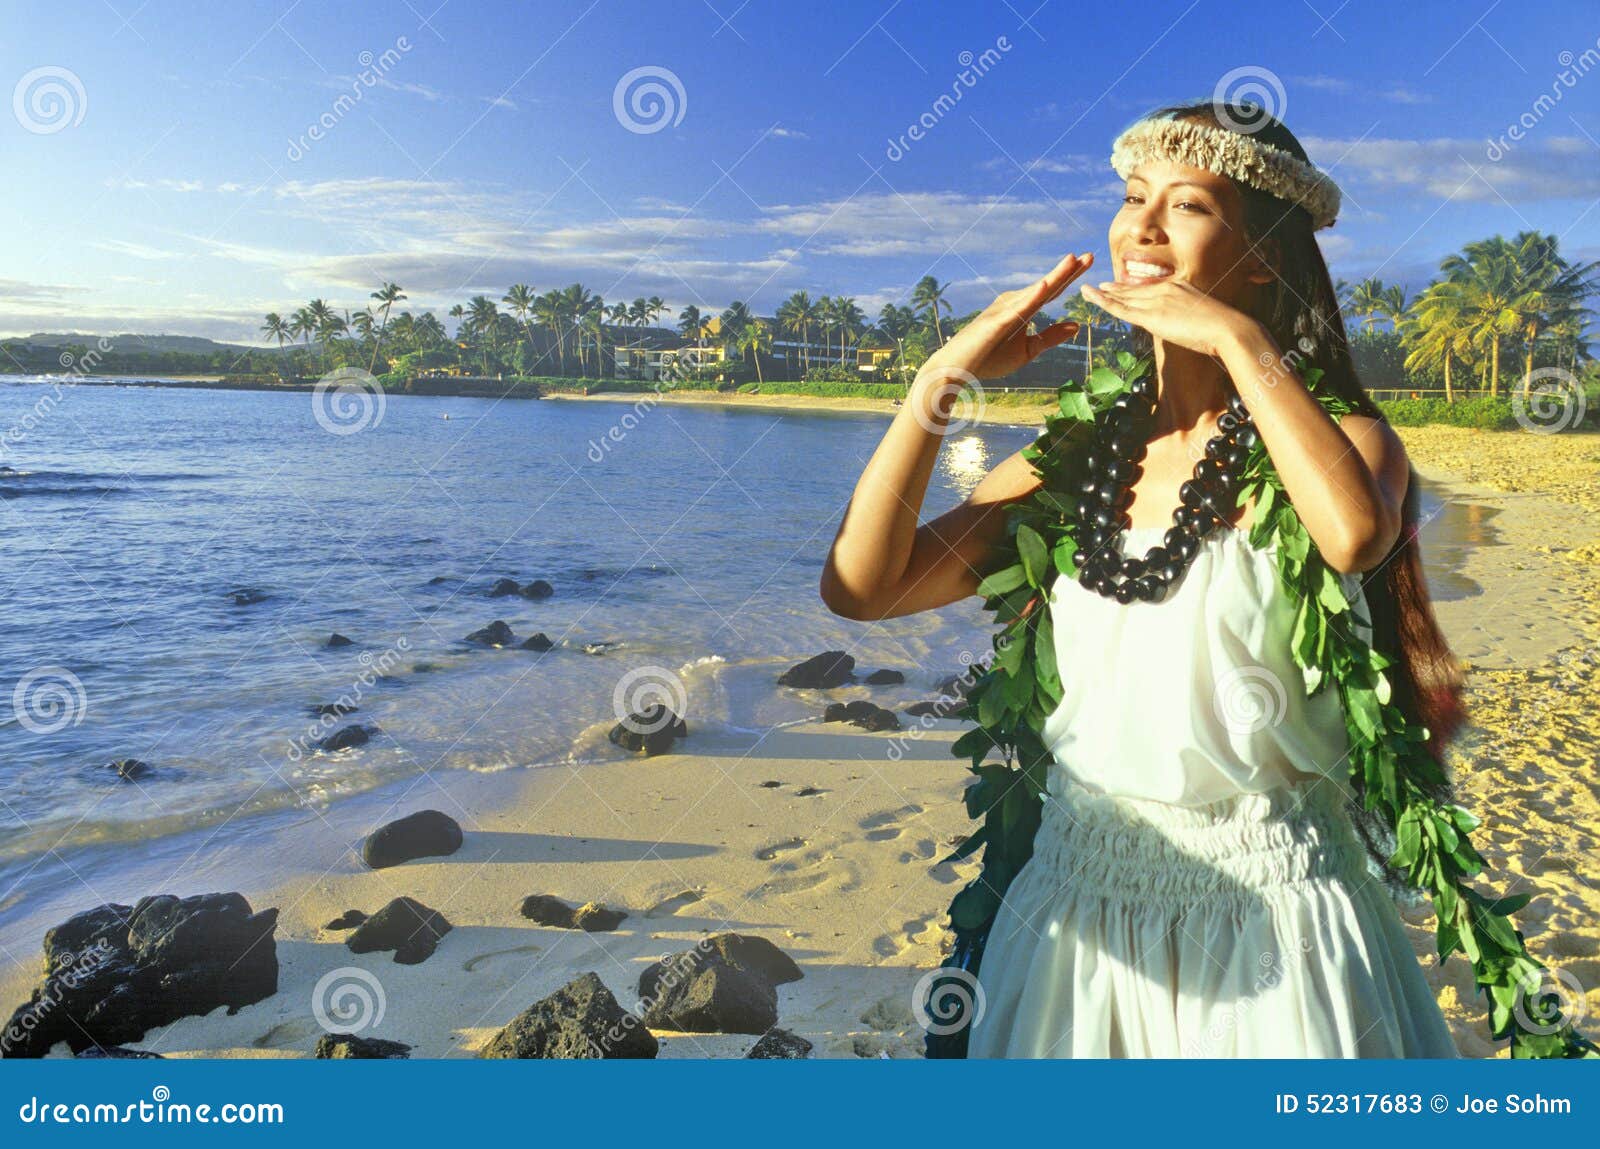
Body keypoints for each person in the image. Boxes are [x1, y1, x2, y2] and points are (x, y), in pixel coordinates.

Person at [819, 98, 1465, 1058]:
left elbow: (1353, 534)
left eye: (1189, 204)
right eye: (1132, 196)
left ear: (1265, 256)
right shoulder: (1073, 460)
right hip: (1078, 910)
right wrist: (937, 385)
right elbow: (863, 588)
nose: (1143, 226)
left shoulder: (1347, 442)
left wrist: (1241, 344)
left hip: (1276, 920)